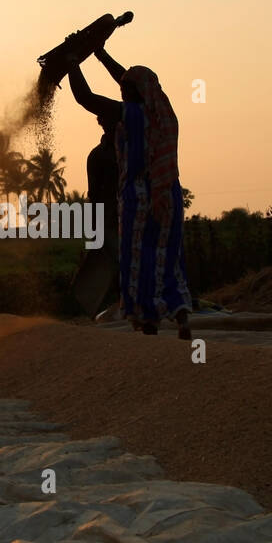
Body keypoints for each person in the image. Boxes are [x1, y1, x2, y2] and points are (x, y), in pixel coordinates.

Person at [65, 43, 193, 339]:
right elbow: (128, 79)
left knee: (138, 259)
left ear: (130, 93)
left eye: (124, 90)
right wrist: (100, 53)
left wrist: (72, 63)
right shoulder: (163, 113)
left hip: (140, 197)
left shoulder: (128, 115)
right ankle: (182, 316)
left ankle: (147, 321)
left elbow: (85, 98)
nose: (120, 92)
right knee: (169, 259)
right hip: (168, 197)